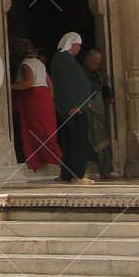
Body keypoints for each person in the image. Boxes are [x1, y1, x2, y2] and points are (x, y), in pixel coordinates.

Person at [9, 37, 61, 174]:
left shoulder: (26, 64)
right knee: (46, 130)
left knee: (34, 130)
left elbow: (28, 83)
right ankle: (52, 160)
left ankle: (43, 160)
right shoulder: (39, 63)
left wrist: (8, 87)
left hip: (33, 98)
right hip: (45, 98)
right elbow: (50, 84)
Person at [49, 32, 94, 184]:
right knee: (77, 142)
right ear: (71, 44)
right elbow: (70, 86)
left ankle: (67, 175)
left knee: (68, 142)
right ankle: (78, 175)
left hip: (66, 109)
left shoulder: (61, 59)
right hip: (74, 109)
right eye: (78, 45)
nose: (79, 49)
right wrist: (77, 105)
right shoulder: (64, 60)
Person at [81, 46, 117, 181]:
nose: (96, 63)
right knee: (88, 140)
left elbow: (104, 87)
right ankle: (83, 171)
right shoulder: (81, 74)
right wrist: (88, 105)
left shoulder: (98, 74)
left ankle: (105, 170)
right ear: (87, 60)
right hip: (88, 111)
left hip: (99, 111)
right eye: (94, 60)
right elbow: (79, 91)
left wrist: (109, 96)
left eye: (98, 60)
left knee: (102, 141)